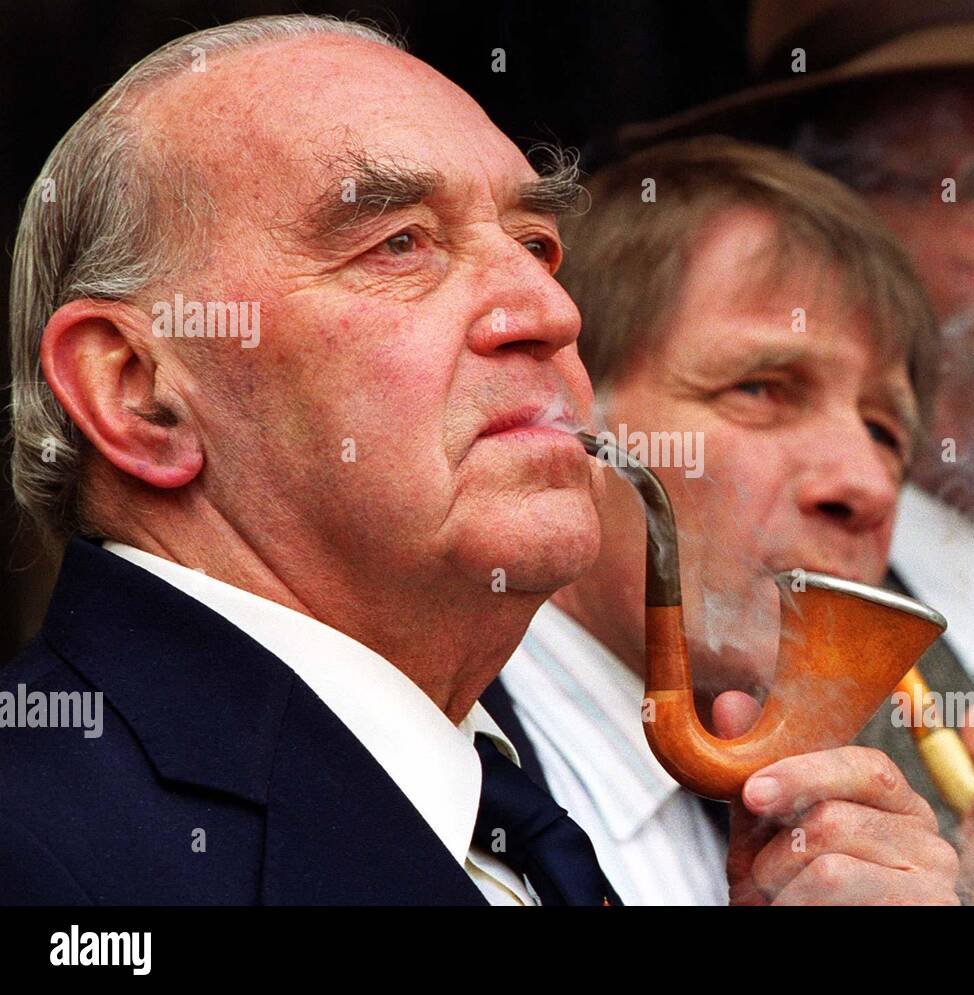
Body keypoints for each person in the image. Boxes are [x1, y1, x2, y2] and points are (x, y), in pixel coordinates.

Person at [1, 14, 614, 905]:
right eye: (399, 242)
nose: (550, 311)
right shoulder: (29, 854)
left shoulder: (508, 807)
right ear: (137, 392)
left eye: (534, 245)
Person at [487, 136, 974, 906]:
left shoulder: (904, 829)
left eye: (887, 433)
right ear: (569, 418)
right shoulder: (415, 769)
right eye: (761, 390)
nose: (865, 486)